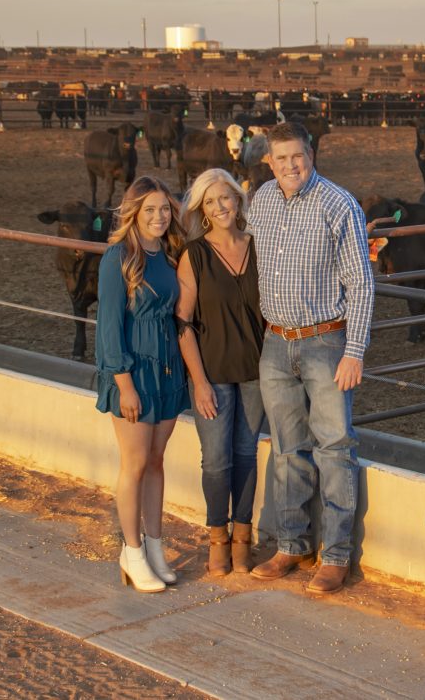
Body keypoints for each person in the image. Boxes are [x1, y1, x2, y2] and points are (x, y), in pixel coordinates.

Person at [247, 122, 374, 595]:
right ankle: (292, 544)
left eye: (296, 157)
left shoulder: (338, 205)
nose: (289, 166)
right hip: (276, 342)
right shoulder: (260, 201)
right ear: (270, 162)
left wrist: (355, 351)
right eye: (280, 160)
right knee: (286, 447)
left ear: (311, 154)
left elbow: (360, 283)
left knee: (335, 446)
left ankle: (337, 555)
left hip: (325, 342)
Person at [94, 175, 189, 593]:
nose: (159, 216)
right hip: (133, 375)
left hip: (167, 373)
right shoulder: (118, 258)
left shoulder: (169, 257)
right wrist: (124, 382)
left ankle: (154, 547)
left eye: (165, 209)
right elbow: (109, 327)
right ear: (133, 212)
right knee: (133, 464)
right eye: (149, 209)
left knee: (156, 462)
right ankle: (130, 551)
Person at [176, 168, 266, 577]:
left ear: (238, 199)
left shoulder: (258, 246)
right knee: (215, 461)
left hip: (256, 372)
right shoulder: (194, 254)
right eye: (210, 202)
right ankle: (217, 537)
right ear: (202, 210)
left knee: (246, 455)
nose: (219, 207)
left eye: (225, 198)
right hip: (211, 372)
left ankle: (243, 536)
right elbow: (183, 322)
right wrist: (198, 382)